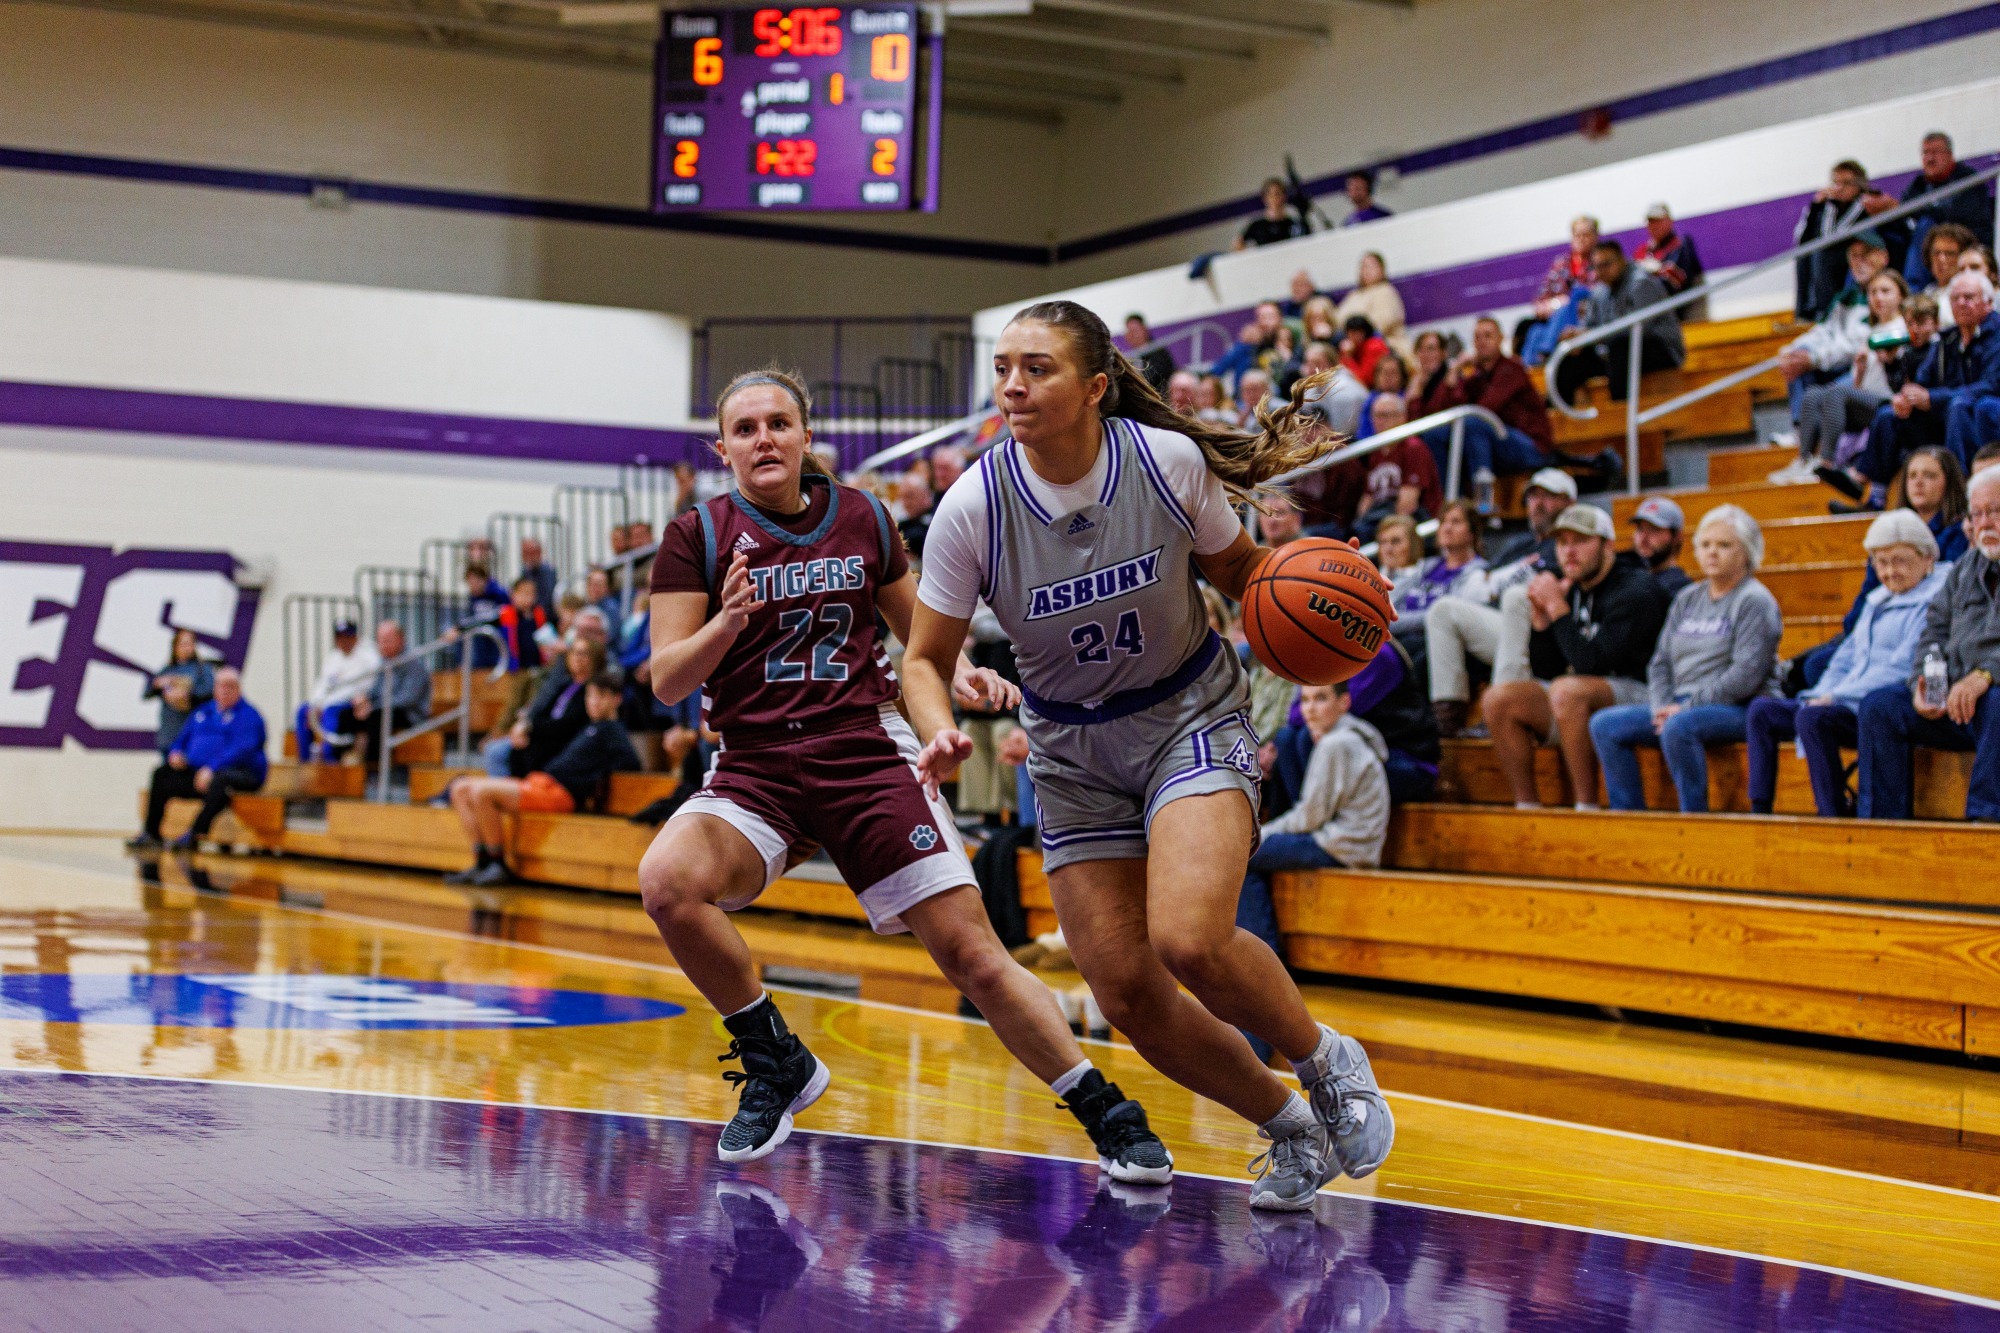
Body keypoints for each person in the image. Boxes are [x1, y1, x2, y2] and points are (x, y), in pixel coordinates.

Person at [902, 301, 1395, 1212]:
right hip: (1070, 751)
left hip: (1188, 717)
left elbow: (1250, 577)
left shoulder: (1162, 463)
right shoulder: (972, 506)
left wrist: (1339, 587)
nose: (1013, 384)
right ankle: (1285, 1125)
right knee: (1124, 985)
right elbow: (924, 659)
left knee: (1188, 935)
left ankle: (1327, 1059)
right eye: (1004, 366)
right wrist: (938, 724)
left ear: (1094, 385)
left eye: (1037, 367)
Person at [634, 367, 1174, 1182]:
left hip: (862, 748)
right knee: (666, 881)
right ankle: (771, 1053)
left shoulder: (862, 516)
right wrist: (728, 623)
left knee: (973, 953)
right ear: (723, 450)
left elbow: (919, 636)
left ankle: (1108, 1113)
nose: (764, 439)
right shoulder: (696, 537)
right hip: (757, 764)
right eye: (744, 429)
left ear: (808, 436)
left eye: (779, 422)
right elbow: (668, 680)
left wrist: (964, 681)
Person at [1746, 511, 1948, 817]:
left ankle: (1833, 815)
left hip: (1878, 706)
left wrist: (1836, 697)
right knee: (1763, 711)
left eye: (1899, 560)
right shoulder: (1876, 599)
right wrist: (1822, 694)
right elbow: (1844, 658)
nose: (1890, 571)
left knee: (1813, 719)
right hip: (1843, 698)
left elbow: (1902, 666)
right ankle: (1759, 811)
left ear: (1927, 558)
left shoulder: (1935, 599)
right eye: (1881, 562)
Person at [1590, 506, 1782, 813]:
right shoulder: (1688, 598)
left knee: (1679, 726)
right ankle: (1628, 818)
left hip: (1742, 707)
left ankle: (1694, 819)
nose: (1712, 553)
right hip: (1681, 705)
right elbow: (1660, 663)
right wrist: (1660, 707)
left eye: (1724, 545)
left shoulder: (1755, 601)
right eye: (1706, 545)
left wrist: (1684, 708)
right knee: (1605, 725)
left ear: (1746, 551)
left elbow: (1745, 676)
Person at [1480, 505, 1672, 809]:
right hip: (1584, 695)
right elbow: (1550, 669)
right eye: (1562, 542)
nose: (1569, 552)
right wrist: (1543, 626)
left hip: (1645, 693)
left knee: (1568, 691)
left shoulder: (1636, 590)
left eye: (1580, 541)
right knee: (1499, 699)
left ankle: (1586, 807)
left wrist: (1557, 608)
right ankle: (1527, 807)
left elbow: (1593, 664)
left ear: (1608, 545)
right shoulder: (1575, 585)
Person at [1856, 466, 2000, 820]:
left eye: (1995, 512)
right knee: (1880, 707)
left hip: (1991, 697)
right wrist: (1924, 681)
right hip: (1955, 701)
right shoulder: (1964, 569)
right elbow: (1933, 633)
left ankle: (1985, 821)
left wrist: (1985, 674)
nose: (1984, 523)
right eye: (1977, 513)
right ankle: (1882, 825)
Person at [1235, 682, 1389, 965]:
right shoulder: (1351, 735)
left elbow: (1309, 817)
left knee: (1243, 854)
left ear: (1344, 702)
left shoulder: (1337, 744)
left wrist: (1262, 833)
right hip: (1348, 842)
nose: (1310, 709)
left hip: (1344, 846)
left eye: (1321, 699)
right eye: (1305, 700)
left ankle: (1265, 960)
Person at [446, 670, 640, 885]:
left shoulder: (613, 731)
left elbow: (631, 763)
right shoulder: (588, 727)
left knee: (481, 792)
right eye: (590, 696)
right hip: (541, 783)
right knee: (459, 788)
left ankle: (497, 863)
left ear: (616, 700)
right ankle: (481, 862)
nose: (593, 702)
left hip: (559, 793)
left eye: (601, 696)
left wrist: (598, 779)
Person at [1425, 469, 1576, 737]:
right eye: (1532, 497)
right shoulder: (1518, 545)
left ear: (1570, 503)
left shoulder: (1572, 545)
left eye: (1548, 496)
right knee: (1442, 610)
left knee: (1515, 596)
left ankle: (1502, 706)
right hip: (1508, 633)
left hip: (1548, 638)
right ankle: (1447, 722)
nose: (1538, 504)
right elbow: (1483, 583)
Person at [1843, 270, 2000, 500]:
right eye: (1955, 298)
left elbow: (1992, 385)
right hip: (1949, 415)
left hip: (1984, 412)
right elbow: (1922, 384)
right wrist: (1908, 398)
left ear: (1988, 302)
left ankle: (1957, 493)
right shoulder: (1948, 340)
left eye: (1969, 297)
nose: (1961, 303)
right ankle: (1874, 496)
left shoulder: (1997, 335)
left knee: (1960, 405)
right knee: (1889, 414)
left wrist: (1932, 398)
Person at [1774, 267, 1910, 480]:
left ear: (1901, 295)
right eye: (1873, 292)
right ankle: (1804, 459)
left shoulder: (1904, 328)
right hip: (1864, 397)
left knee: (1836, 393)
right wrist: (1862, 368)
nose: (1878, 298)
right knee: (1813, 395)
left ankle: (1826, 461)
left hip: (1889, 400)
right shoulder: (1870, 331)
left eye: (1886, 291)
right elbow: (1857, 386)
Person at [1424, 315, 1578, 488]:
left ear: (1500, 339)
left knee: (1473, 423)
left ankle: (1483, 500)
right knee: (1434, 435)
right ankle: (1451, 503)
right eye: (1477, 337)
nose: (1482, 341)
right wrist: (1453, 373)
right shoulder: (1476, 377)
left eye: (1488, 336)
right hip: (1499, 445)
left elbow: (1484, 410)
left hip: (1533, 448)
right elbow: (1438, 412)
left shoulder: (1512, 368)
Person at [128, 667, 267, 853]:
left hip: (240, 774)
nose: (225, 690)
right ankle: (152, 832)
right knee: (162, 774)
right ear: (215, 688)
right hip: (199, 772)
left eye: (230, 686)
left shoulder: (248, 716)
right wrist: (175, 753)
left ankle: (195, 834)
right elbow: (182, 738)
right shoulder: (203, 712)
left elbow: (241, 751)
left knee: (222, 781)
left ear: (238, 689)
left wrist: (212, 767)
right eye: (221, 685)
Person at [1776, 234, 1896, 435]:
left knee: (1829, 393)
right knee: (1796, 358)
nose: (1859, 262)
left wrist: (1815, 358)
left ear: (1883, 257)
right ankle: (1801, 435)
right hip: (1836, 362)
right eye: (1854, 256)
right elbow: (1823, 330)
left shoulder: (1887, 294)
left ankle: (1819, 447)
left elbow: (1861, 344)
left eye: (1866, 254)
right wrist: (1795, 349)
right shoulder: (1847, 296)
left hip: (1867, 369)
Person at [1551, 240, 1685, 411]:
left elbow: (1639, 328)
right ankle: (1562, 419)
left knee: (1620, 345)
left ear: (1622, 260)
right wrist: (1577, 337)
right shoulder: (1599, 291)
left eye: (1606, 265)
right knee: (1569, 357)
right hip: (1616, 353)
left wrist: (1589, 335)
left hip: (1660, 349)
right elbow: (1590, 326)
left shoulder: (1641, 282)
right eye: (1596, 266)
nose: (1601, 271)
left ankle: (1621, 414)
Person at [1795, 160, 1891, 321]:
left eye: (1845, 183)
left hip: (1859, 251)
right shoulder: (1828, 206)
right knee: (1803, 255)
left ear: (1859, 185)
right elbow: (1803, 240)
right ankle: (1805, 312)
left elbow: (1836, 235)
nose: (1839, 188)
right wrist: (1815, 207)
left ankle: (1825, 312)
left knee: (1822, 255)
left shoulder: (1868, 202)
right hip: (1836, 255)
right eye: (1835, 182)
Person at [1897, 131, 1996, 289]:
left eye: (1935, 152)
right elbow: (1903, 217)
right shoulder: (1918, 186)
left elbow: (1961, 217)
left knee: (1925, 224)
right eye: (1925, 153)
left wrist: (1923, 211)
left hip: (1968, 243)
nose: (1929, 158)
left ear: (1950, 155)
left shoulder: (1968, 180)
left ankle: (1914, 289)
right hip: (1933, 247)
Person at [1387, 500, 1489, 631]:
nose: (1447, 528)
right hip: (1395, 632)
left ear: (1472, 532)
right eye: (1443, 522)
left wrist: (1392, 622)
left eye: (1456, 522)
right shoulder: (1427, 565)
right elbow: (1393, 599)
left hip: (1425, 639)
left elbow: (1447, 617)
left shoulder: (1478, 572)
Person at [1515, 215, 1600, 361]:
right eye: (1577, 235)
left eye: (1586, 235)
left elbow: (1597, 296)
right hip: (1555, 321)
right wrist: (1554, 304)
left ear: (1596, 237)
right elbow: (1541, 300)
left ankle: (1548, 348)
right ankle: (1531, 371)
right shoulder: (1561, 264)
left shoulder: (1600, 263)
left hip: (1584, 320)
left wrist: (1565, 303)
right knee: (1534, 331)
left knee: (1575, 296)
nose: (1581, 239)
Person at [348, 620, 432, 766]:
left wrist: (373, 706)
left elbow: (408, 699)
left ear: (401, 639)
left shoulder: (414, 664)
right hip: (386, 708)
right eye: (380, 641)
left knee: (378, 715)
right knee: (347, 714)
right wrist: (364, 700)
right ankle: (342, 763)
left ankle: (373, 768)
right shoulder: (384, 663)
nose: (383, 645)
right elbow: (375, 691)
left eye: (387, 640)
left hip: (410, 715)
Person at [293, 619, 377, 762]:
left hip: (349, 704)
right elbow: (322, 684)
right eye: (340, 637)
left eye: (348, 636)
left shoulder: (368, 658)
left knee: (331, 711)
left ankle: (330, 758)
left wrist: (324, 705)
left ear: (355, 637)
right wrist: (315, 705)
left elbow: (359, 688)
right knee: (303, 711)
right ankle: (304, 760)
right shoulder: (333, 658)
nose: (344, 641)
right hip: (328, 703)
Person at [146, 627, 215, 759]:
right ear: (175, 647)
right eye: (182, 644)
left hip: (192, 730)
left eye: (190, 644)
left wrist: (187, 693)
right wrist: (158, 685)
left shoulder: (202, 669)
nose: (186, 648)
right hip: (169, 730)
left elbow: (209, 692)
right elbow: (148, 692)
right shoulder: (168, 669)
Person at [1634, 203, 1706, 316]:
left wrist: (1653, 271)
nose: (1654, 225)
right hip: (1655, 314)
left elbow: (1677, 281)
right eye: (1651, 222)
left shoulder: (1682, 246)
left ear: (1669, 221)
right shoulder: (1642, 251)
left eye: (1659, 221)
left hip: (1685, 312)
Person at [1335, 252, 1405, 352]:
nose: (1367, 271)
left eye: (1372, 266)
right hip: (1353, 346)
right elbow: (1338, 319)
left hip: (1386, 345)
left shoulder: (1386, 291)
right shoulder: (1354, 295)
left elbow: (1382, 324)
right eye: (1364, 267)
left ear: (1381, 270)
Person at [1629, 496, 1691, 598]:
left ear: (1676, 536)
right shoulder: (1631, 580)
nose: (1643, 538)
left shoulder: (1681, 590)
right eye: (1640, 529)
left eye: (1654, 529)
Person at [1235, 178, 1304, 250]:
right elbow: (1238, 244)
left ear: (1284, 196)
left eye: (1277, 194)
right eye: (1270, 195)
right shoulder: (1257, 225)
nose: (1274, 198)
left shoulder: (1293, 224)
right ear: (1265, 198)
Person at [1918, 222, 1979, 301]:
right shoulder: (1927, 293)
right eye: (1936, 253)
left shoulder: (1970, 295)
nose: (1941, 259)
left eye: (1949, 254)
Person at [1125, 314, 1175, 392]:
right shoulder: (1131, 359)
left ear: (1144, 330)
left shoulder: (1158, 353)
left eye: (1135, 330)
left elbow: (1154, 377)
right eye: (1129, 332)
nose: (1132, 335)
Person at [519, 537, 559, 621]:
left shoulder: (548, 572)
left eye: (533, 553)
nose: (530, 557)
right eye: (526, 553)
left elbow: (547, 600)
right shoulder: (525, 572)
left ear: (540, 553)